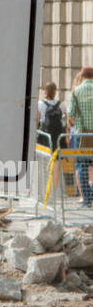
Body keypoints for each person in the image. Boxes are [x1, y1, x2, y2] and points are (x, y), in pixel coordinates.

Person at [68, 67, 93, 206]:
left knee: (82, 166)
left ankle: (87, 199)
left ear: (82, 76)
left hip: (81, 134)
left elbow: (71, 114)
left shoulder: (76, 92)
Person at [39, 82, 65, 149]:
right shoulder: (61, 104)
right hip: (58, 134)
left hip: (45, 134)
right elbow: (66, 119)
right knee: (57, 155)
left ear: (45, 91)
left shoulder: (40, 104)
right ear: (55, 92)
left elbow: (37, 119)